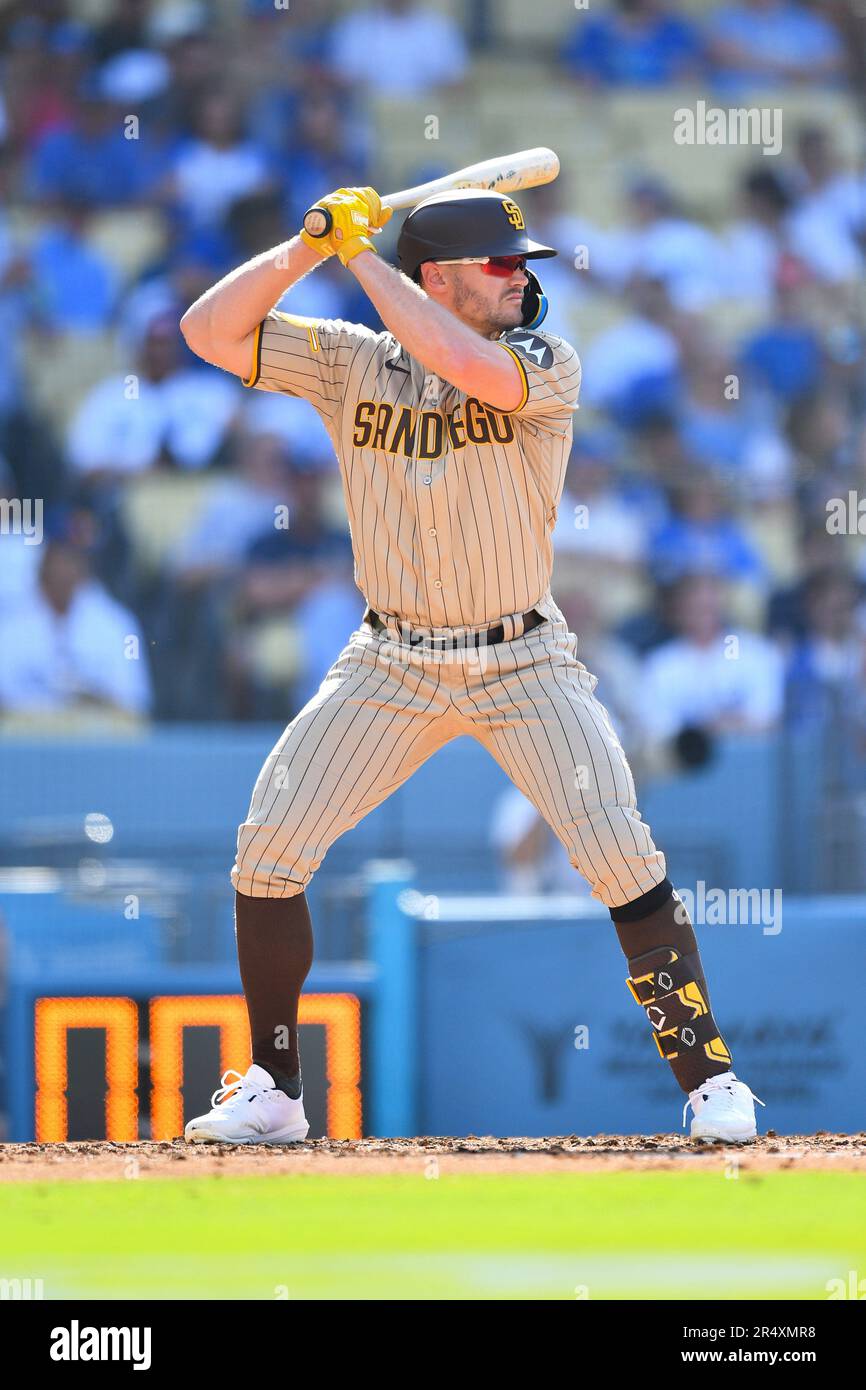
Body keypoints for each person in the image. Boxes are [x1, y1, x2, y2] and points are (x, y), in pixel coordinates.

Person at [179, 183, 763, 1146]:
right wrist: (306, 246)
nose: (520, 280)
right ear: (440, 277)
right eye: (500, 266)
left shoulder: (544, 359)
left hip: (522, 655)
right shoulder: (350, 360)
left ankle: (712, 1083)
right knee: (267, 851)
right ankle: (276, 1090)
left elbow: (459, 361)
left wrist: (360, 259)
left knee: (622, 857)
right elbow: (208, 330)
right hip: (390, 659)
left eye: (521, 265)